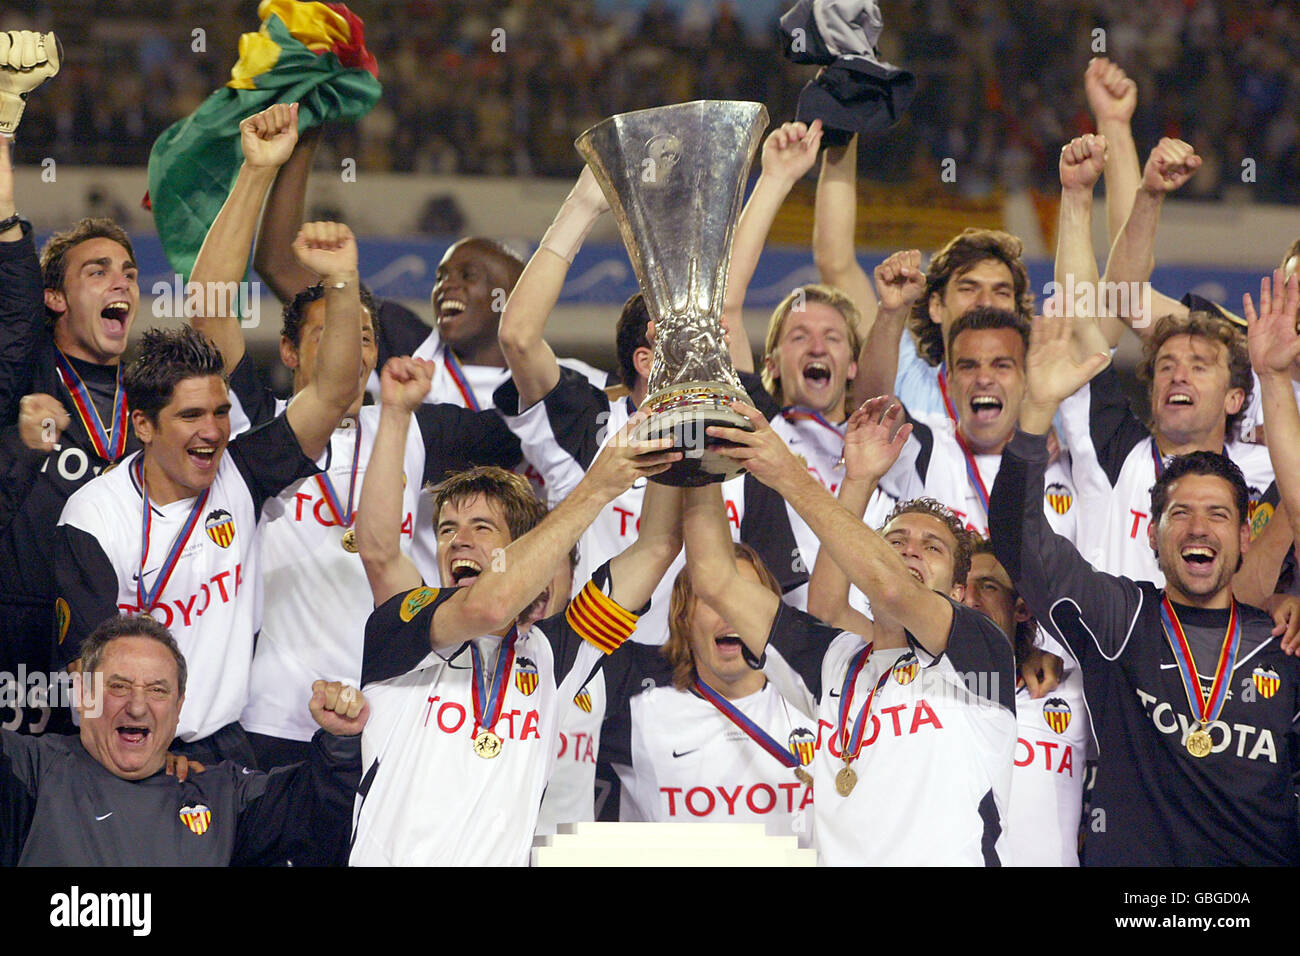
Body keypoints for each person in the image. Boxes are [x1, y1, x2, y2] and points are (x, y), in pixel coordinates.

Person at [185, 104, 522, 768]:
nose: (353, 349)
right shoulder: (252, 425)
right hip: (269, 717)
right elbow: (210, 307)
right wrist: (257, 171)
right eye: (332, 333)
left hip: (394, 714)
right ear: (288, 351)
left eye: (364, 335)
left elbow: (537, 435)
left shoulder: (418, 429)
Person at [989, 309, 1300, 865]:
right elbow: (1018, 540)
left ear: (1246, 538)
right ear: (1152, 538)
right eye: (1179, 514)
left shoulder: (1282, 642)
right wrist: (1036, 413)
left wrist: (1275, 380)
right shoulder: (1120, 617)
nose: (1198, 528)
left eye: (1217, 515)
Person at [349, 357, 683, 865]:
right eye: (446, 530)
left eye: (483, 528)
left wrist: (669, 409)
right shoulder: (405, 625)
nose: (459, 541)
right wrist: (395, 414)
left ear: (523, 550)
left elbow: (657, 546)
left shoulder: (556, 651)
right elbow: (402, 563)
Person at [54, 248, 360, 764]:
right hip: (126, 752)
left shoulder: (240, 475)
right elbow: (83, 672)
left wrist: (344, 281)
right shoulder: (94, 518)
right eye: (191, 415)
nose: (214, 431)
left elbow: (332, 392)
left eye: (221, 413)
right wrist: (145, 755)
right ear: (145, 426)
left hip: (227, 749)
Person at [691, 401, 1016, 865]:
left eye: (932, 547)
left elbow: (892, 587)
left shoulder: (981, 652)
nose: (910, 552)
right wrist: (699, 457)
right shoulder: (837, 663)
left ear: (959, 591)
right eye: (896, 541)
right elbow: (713, 578)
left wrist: (788, 475)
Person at [0, 614, 366, 866]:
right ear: (82, 694)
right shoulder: (30, 772)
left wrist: (341, 741)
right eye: (119, 686)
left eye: (158, 690)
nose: (138, 707)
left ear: (179, 706)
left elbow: (316, 811)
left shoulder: (223, 795)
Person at [598, 541, 819, 846]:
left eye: (743, 597)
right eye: (712, 600)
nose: (730, 614)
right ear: (683, 619)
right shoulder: (639, 716)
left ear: (773, 616)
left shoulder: (820, 711)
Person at [877, 306, 1078, 539]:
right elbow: (878, 408)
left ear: (1026, 382)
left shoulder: (1069, 465)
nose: (983, 378)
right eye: (968, 366)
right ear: (949, 382)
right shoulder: (926, 447)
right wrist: (890, 314)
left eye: (1002, 365)